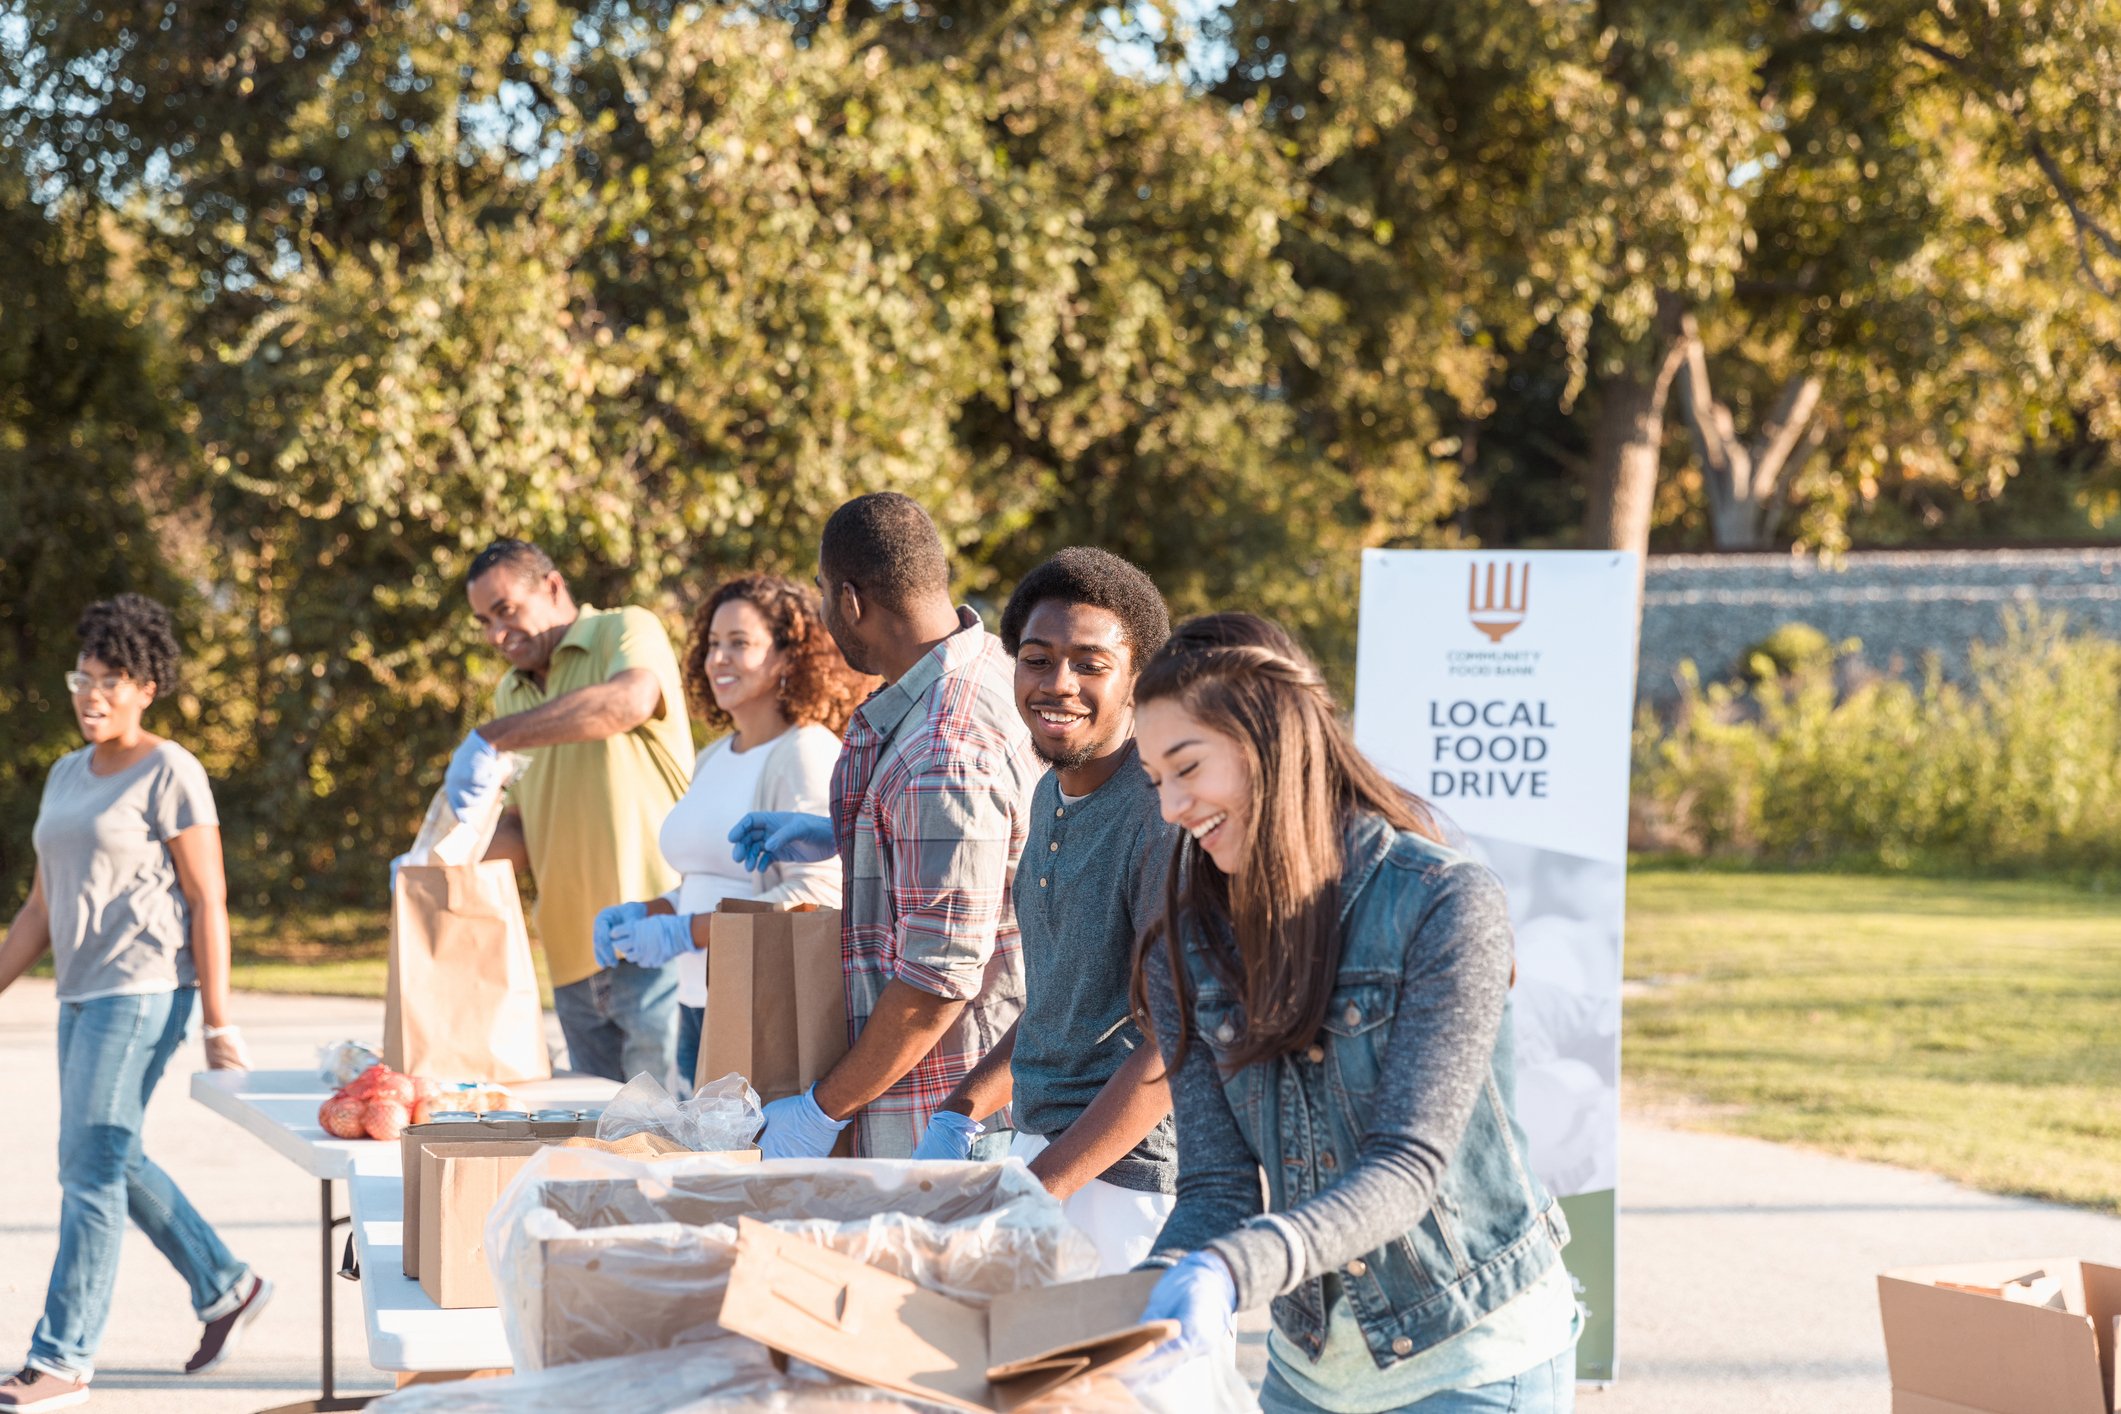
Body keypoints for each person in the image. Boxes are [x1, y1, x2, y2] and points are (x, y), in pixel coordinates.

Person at [1130, 613, 1579, 1414]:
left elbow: (1406, 1169)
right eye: (1153, 779)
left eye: (1186, 766)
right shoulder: (1189, 941)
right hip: (1309, 1373)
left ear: (1266, 739)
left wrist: (1235, 1269)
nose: (1169, 806)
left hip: (1471, 1360)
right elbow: (1215, 1186)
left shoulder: (1443, 903)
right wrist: (1144, 1298)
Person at [0, 596, 269, 1412]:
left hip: (147, 989)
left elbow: (207, 898)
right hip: (81, 993)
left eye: (111, 682)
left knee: (87, 1168)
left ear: (147, 686)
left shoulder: (172, 770)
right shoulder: (64, 774)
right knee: (111, 1157)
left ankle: (64, 1358)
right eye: (83, 677)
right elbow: (41, 908)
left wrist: (219, 1019)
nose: (91, 696)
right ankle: (225, 1284)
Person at [730, 493, 1040, 1160]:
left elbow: (937, 979)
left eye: (820, 593)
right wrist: (845, 833)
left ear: (850, 600)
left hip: (951, 1123)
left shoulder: (943, 751)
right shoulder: (987, 668)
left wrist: (820, 1112)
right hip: (969, 1104)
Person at [909, 548, 1181, 1274]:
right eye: (1037, 659)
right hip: (1044, 1159)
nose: (1058, 684)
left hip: (1126, 1187)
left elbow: (1171, 1043)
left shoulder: (1159, 816)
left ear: (1136, 681)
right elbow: (1061, 1001)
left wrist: (1043, 1186)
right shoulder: (1046, 794)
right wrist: (960, 1111)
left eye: (1091, 664)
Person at [591, 574, 871, 1091]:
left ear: (789, 658)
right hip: (696, 1003)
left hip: (759, 1013)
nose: (718, 658)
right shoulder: (713, 757)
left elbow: (815, 896)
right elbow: (708, 881)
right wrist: (649, 913)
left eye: (739, 643)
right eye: (713, 644)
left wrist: (684, 932)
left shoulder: (804, 752)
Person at [447, 539, 694, 1086]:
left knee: (671, 1140)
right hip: (569, 960)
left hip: (655, 937)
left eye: (506, 610)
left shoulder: (624, 630)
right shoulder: (510, 693)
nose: (495, 634)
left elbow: (627, 702)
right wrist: (440, 867)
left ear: (552, 587)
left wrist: (492, 738)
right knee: (598, 1150)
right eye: (484, 621)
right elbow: (520, 825)